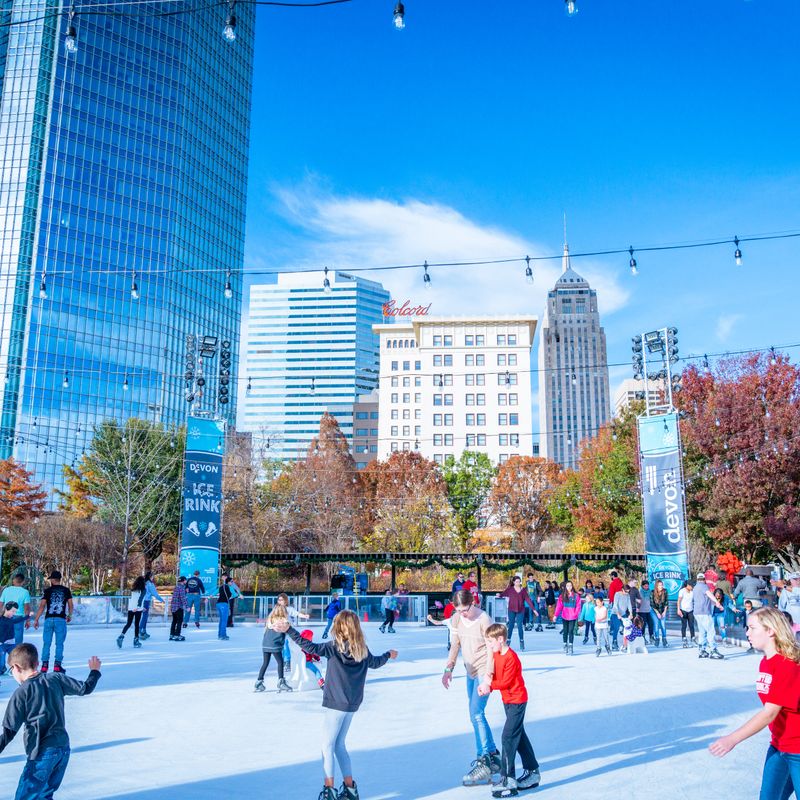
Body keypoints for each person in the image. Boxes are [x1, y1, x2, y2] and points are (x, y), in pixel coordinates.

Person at [279, 610, 397, 800]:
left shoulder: (334, 647)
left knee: (327, 745)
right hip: (352, 704)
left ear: (338, 627)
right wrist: (388, 654)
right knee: (339, 745)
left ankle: (329, 790)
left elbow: (309, 647)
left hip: (336, 704)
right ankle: (350, 789)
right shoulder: (361, 648)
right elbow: (375, 663)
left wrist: (289, 630)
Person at [709, 607, 800, 799]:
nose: (747, 632)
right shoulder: (766, 662)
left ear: (770, 630)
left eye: (752, 628)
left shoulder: (787, 665)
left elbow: (769, 713)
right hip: (779, 746)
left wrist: (732, 739)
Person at [0, 644, 101, 800]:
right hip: (63, 750)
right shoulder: (55, 678)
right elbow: (85, 688)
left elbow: (8, 732)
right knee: (45, 796)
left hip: (42, 754)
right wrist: (94, 671)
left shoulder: (21, 692)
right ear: (37, 663)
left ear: (16, 667)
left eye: (10, 670)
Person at [443, 588, 501, 786]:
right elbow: (455, 644)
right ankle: (493, 756)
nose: (461, 614)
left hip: (484, 672)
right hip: (469, 672)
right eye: (457, 610)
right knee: (474, 715)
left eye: (464, 610)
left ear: (472, 602)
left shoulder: (484, 619)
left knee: (476, 713)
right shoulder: (457, 619)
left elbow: (493, 651)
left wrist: (487, 679)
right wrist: (448, 668)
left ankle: (483, 760)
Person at [478, 623, 541, 797]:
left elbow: (505, 682)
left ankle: (508, 778)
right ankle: (533, 772)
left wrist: (489, 687)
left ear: (501, 639)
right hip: (508, 700)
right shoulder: (497, 654)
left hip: (518, 700)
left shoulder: (511, 657)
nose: (489, 646)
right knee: (518, 736)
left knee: (508, 736)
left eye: (491, 642)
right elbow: (493, 672)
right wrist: (486, 679)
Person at [33, 571, 73, 674]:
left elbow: (42, 606)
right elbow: (70, 604)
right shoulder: (66, 590)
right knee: (59, 644)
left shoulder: (48, 591)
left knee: (46, 643)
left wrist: (36, 619)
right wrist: (69, 615)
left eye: (51, 579)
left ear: (53, 579)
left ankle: (44, 666)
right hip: (60, 620)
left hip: (49, 619)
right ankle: (57, 666)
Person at [255, 604, 292, 693]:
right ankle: (281, 681)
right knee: (280, 662)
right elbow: (289, 630)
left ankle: (259, 681)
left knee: (265, 663)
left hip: (265, 644)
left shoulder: (270, 620)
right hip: (275, 645)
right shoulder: (284, 621)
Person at [496, 576, 538, 650]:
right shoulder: (510, 589)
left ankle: (521, 641)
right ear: (514, 582)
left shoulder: (523, 590)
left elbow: (528, 600)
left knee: (519, 626)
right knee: (511, 625)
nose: (518, 583)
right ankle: (508, 641)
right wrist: (499, 595)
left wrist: (534, 610)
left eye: (519, 581)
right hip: (511, 609)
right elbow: (503, 594)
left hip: (520, 610)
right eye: (517, 582)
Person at [693, 572, 725, 660]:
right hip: (704, 612)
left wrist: (715, 604)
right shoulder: (704, 586)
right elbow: (709, 594)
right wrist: (717, 602)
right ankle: (713, 650)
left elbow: (705, 599)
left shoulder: (695, 588)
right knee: (711, 631)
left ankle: (702, 650)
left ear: (697, 579)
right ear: (704, 579)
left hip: (697, 613)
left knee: (702, 631)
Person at [277, 593, 310, 669]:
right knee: (280, 645)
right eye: (279, 600)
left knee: (286, 644)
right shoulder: (276, 609)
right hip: (279, 630)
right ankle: (281, 661)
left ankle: (287, 661)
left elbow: (296, 613)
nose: (280, 601)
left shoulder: (288, 609)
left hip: (288, 630)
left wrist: (304, 616)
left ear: (285, 601)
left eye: (281, 600)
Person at [0, 574, 33, 645]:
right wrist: (27, 620)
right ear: (23, 582)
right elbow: (26, 608)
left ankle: (4, 654)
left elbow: (1, 604)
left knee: (5, 639)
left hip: (6, 617)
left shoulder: (6, 590)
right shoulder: (25, 592)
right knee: (18, 641)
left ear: (13, 581)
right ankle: (17, 654)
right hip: (19, 618)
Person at [117, 575, 146, 649]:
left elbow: (133, 599)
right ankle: (136, 641)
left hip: (131, 608)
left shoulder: (133, 589)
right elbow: (140, 599)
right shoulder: (143, 589)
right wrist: (138, 608)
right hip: (137, 609)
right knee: (136, 624)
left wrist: (140, 607)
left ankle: (121, 636)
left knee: (128, 623)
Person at [554, 581, 582, 655]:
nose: (569, 587)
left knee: (571, 631)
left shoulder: (576, 596)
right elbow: (559, 606)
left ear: (572, 586)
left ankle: (570, 646)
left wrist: (575, 614)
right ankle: (565, 644)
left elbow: (578, 606)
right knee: (565, 631)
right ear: (565, 587)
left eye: (570, 585)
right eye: (567, 586)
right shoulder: (562, 596)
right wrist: (555, 615)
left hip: (573, 616)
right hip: (565, 615)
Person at [138, 571, 163, 641]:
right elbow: (154, 593)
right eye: (152, 576)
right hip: (146, 601)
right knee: (145, 616)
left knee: (144, 616)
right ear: (150, 577)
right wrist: (161, 599)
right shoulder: (149, 584)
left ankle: (143, 631)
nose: (153, 578)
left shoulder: (144, 583)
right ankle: (140, 631)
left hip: (142, 600)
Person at [778, 572, 800, 637]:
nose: (797, 581)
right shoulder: (785, 591)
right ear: (790, 580)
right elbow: (781, 606)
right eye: (795, 579)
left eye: (798, 579)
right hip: (791, 623)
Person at [610, 583, 631, 652]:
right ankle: (614, 642)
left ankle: (626, 644)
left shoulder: (627, 595)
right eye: (626, 591)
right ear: (622, 589)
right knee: (617, 627)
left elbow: (629, 604)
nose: (627, 593)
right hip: (615, 613)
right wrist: (618, 614)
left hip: (623, 614)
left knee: (627, 628)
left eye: (628, 591)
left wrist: (631, 613)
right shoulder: (617, 594)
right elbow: (615, 605)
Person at [0, 603, 19, 674]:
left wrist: (28, 616)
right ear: (6, 609)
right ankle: (2, 668)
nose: (14, 613)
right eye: (13, 611)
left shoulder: (11, 619)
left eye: (15, 611)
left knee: (15, 657)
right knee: (1, 662)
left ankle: (14, 669)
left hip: (10, 643)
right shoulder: (1, 619)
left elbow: (19, 620)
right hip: (1, 644)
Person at [651, 579, 669, 647]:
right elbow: (652, 604)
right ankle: (657, 639)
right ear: (656, 586)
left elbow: (666, 602)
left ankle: (664, 639)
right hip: (654, 610)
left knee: (663, 625)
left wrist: (664, 612)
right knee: (656, 624)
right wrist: (657, 613)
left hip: (662, 610)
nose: (661, 586)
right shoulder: (652, 592)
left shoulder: (665, 591)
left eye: (662, 585)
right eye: (659, 585)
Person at [677, 580, 696, 647]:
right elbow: (679, 601)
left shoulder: (692, 592)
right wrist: (678, 610)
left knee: (691, 625)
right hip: (683, 610)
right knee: (684, 625)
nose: (692, 587)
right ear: (687, 585)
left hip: (690, 610)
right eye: (691, 586)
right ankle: (684, 639)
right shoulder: (682, 591)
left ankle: (693, 639)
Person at [170, 577, 188, 641]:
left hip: (173, 607)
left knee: (174, 621)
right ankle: (177, 635)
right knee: (179, 621)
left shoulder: (176, 587)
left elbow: (177, 596)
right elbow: (183, 598)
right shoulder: (182, 588)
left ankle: (172, 634)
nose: (186, 581)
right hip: (178, 607)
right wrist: (187, 606)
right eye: (185, 580)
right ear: (183, 581)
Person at [216, 575, 232, 640]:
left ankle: (220, 634)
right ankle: (223, 635)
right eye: (231, 581)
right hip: (223, 604)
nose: (232, 583)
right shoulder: (227, 587)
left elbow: (218, 593)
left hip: (218, 604)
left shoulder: (221, 587)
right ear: (228, 582)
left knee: (221, 620)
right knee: (224, 621)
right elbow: (230, 595)